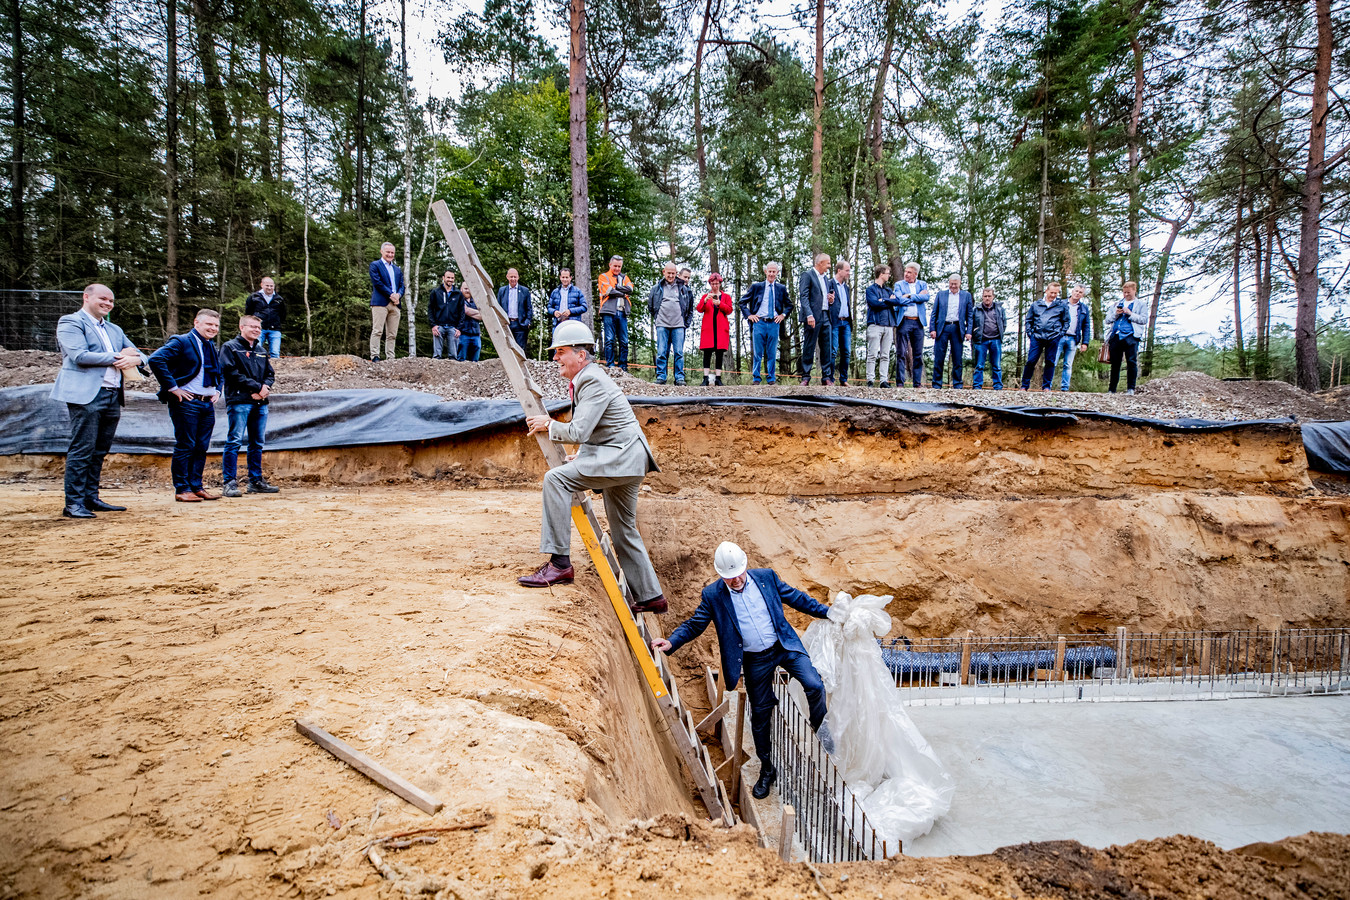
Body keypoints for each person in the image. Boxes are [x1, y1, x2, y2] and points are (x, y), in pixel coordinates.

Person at [651, 542, 832, 800]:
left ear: (746, 566)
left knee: (814, 685)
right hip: (754, 659)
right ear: (720, 575)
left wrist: (828, 612)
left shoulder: (766, 578)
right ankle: (767, 769)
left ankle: (820, 733)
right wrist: (671, 642)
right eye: (729, 577)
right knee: (760, 714)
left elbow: (797, 598)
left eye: (738, 574)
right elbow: (695, 624)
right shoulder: (713, 595)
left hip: (783, 645)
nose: (735, 580)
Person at [518, 321, 667, 616]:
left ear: (581, 356)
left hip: (620, 459)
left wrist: (549, 425)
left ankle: (559, 564)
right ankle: (651, 596)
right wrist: (585, 457)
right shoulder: (588, 378)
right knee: (624, 530)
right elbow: (601, 427)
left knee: (556, 480)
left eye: (560, 352)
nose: (555, 358)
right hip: (624, 458)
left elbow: (580, 430)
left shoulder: (592, 380)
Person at [50, 283, 147, 518]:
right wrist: (119, 357)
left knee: (99, 450)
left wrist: (138, 359)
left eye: (111, 301)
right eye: (103, 298)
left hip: (113, 395)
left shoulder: (114, 329)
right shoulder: (70, 322)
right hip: (86, 396)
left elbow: (139, 354)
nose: (108, 304)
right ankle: (73, 503)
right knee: (82, 449)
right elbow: (79, 355)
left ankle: (90, 498)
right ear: (86, 297)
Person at [148, 309, 223, 503]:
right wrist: (173, 387)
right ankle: (182, 488)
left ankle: (196, 486)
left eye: (216, 325)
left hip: (207, 404)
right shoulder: (182, 341)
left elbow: (219, 372)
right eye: (209, 324)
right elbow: (156, 359)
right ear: (196, 322)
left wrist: (218, 390)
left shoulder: (210, 346)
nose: (213, 328)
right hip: (186, 403)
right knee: (186, 444)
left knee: (201, 447)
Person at [219, 314, 280, 498]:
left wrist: (265, 388)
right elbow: (230, 373)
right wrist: (256, 387)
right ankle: (229, 483)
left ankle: (256, 481)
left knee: (257, 443)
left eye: (258, 328)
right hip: (239, 402)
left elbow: (270, 373)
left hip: (260, 402)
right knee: (234, 441)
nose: (256, 330)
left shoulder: (261, 350)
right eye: (252, 327)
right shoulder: (230, 347)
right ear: (242, 327)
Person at [740, 262, 790, 385]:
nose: (772, 274)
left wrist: (783, 315)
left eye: (774, 271)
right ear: (765, 272)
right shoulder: (757, 287)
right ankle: (756, 378)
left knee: (772, 352)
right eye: (770, 271)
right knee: (758, 352)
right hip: (759, 322)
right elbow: (742, 302)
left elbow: (789, 305)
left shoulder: (781, 288)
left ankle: (771, 379)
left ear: (777, 273)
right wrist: (749, 315)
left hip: (774, 323)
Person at [650, 263, 694, 385]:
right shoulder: (657, 288)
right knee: (662, 352)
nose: (670, 275)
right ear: (664, 272)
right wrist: (658, 318)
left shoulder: (684, 289)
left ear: (676, 273)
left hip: (679, 325)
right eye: (668, 273)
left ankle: (679, 378)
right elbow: (651, 306)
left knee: (679, 352)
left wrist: (686, 323)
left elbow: (690, 308)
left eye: (673, 273)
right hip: (662, 324)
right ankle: (661, 377)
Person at [1020, 282, 1069, 392]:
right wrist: (1030, 333)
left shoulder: (1062, 305)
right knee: (1031, 361)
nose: (1053, 295)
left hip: (1053, 337)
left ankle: (1046, 386)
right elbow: (1029, 320)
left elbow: (1066, 321)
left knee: (1050, 362)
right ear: (1046, 291)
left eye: (1056, 293)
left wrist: (1060, 334)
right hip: (1037, 337)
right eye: (1051, 292)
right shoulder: (1036, 305)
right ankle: (1024, 386)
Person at [798, 253, 835, 386]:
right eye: (828, 263)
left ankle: (826, 377)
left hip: (826, 316)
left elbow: (824, 297)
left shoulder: (826, 279)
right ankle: (806, 376)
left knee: (826, 347)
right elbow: (804, 296)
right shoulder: (807, 275)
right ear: (820, 263)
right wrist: (809, 314)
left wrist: (830, 300)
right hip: (812, 316)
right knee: (809, 346)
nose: (829, 266)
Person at [930, 275, 973, 389]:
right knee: (939, 357)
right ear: (949, 283)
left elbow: (970, 315)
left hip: (957, 328)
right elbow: (934, 313)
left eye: (955, 284)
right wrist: (932, 329)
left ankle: (957, 384)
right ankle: (937, 384)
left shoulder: (966, 296)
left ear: (960, 283)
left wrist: (969, 331)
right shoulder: (941, 294)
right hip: (942, 328)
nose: (953, 286)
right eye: (951, 284)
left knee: (957, 358)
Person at [1106, 281, 1149, 394]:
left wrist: (1130, 313)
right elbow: (1107, 320)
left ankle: (1131, 388)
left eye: (1128, 292)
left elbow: (1144, 320)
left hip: (1131, 336)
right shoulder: (1116, 304)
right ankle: (1112, 389)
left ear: (1134, 291)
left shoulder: (1141, 304)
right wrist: (1116, 314)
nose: (1126, 295)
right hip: (1116, 336)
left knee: (1131, 362)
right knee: (1115, 364)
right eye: (1124, 292)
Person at [864, 264, 899, 387]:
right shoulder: (870, 290)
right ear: (881, 274)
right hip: (875, 324)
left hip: (889, 325)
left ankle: (884, 380)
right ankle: (870, 379)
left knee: (885, 355)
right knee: (872, 353)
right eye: (888, 273)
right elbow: (874, 304)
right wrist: (888, 301)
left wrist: (883, 300)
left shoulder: (888, 290)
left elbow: (896, 301)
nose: (889, 275)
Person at [895, 263, 929, 387]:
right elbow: (899, 300)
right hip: (904, 321)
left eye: (909, 272)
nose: (906, 274)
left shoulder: (922, 284)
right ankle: (900, 382)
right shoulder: (899, 284)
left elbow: (926, 297)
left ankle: (917, 382)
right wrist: (917, 297)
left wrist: (909, 296)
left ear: (915, 274)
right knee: (901, 352)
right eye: (906, 271)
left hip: (918, 322)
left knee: (918, 354)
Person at [596, 256, 634, 370]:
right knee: (609, 339)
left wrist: (617, 288)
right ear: (610, 265)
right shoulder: (603, 277)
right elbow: (608, 291)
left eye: (619, 266)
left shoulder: (624, 277)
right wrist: (621, 291)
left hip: (622, 311)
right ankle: (610, 365)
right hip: (608, 311)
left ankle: (623, 366)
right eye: (615, 266)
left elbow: (630, 289)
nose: (617, 268)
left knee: (624, 340)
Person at [368, 242, 404, 361]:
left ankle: (390, 357)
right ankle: (375, 356)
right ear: (382, 251)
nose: (390, 254)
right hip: (380, 303)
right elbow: (377, 283)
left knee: (392, 334)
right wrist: (390, 294)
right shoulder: (375, 265)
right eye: (388, 252)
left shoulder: (397, 269)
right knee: (377, 330)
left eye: (392, 252)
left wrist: (398, 295)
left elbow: (402, 285)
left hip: (395, 304)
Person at [1053, 284, 1092, 391]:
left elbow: (1086, 326)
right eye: (1076, 291)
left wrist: (1085, 342)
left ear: (1082, 295)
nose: (1077, 293)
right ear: (1072, 291)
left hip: (1073, 339)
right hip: (1058, 337)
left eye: (1080, 292)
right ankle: (1047, 387)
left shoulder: (1084, 308)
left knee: (1068, 365)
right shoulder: (1061, 303)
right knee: (1053, 362)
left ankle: (1065, 388)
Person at [697, 273, 733, 386]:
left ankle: (718, 377)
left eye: (717, 284)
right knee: (707, 353)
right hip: (708, 329)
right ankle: (705, 378)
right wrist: (704, 301)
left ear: (720, 284)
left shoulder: (726, 297)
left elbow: (729, 310)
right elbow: (699, 309)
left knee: (719, 353)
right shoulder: (705, 296)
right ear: (710, 284)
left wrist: (720, 304)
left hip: (721, 329)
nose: (715, 286)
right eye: (712, 284)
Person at [970, 288, 1006, 390]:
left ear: (993, 297)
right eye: (985, 296)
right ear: (982, 297)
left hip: (996, 340)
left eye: (989, 296)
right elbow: (971, 324)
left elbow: (1004, 323)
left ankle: (998, 386)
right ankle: (977, 386)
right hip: (981, 340)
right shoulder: (976, 309)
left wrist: (1000, 334)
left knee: (997, 365)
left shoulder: (999, 309)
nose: (987, 298)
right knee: (979, 365)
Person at [244, 276, 286, 358]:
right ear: (262, 285)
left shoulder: (279, 299)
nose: (269, 288)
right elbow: (248, 313)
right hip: (258, 329)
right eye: (267, 285)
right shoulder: (254, 297)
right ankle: (256, 369)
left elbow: (283, 314)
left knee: (275, 352)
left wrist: (277, 322)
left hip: (275, 329)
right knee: (256, 351)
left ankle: (274, 370)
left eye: (271, 286)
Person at [427, 270, 464, 360]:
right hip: (439, 326)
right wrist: (433, 325)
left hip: (453, 327)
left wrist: (459, 328)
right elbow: (430, 309)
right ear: (443, 278)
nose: (450, 280)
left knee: (453, 356)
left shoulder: (458, 294)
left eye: (452, 278)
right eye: (448, 277)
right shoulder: (436, 292)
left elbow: (461, 312)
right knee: (437, 356)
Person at [496, 268, 533, 351]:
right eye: (511, 277)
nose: (513, 279)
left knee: (519, 350)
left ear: (518, 277)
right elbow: (498, 308)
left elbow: (529, 308)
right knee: (506, 349)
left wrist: (527, 322)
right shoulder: (502, 291)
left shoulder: (525, 291)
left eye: (515, 277)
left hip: (520, 325)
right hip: (506, 324)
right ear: (507, 277)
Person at [831, 260, 854, 386]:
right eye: (847, 270)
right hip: (834, 321)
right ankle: (830, 379)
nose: (849, 273)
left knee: (846, 351)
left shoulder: (846, 287)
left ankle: (843, 379)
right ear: (839, 271)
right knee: (833, 351)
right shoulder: (829, 284)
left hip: (845, 323)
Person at [548, 268, 588, 334]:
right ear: (560, 277)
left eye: (567, 277)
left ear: (570, 278)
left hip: (573, 324)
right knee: (559, 344)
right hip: (558, 324)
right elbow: (549, 307)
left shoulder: (577, 291)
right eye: (563, 277)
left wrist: (570, 311)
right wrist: (554, 312)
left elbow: (584, 307)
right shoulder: (555, 292)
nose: (565, 279)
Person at [457, 285, 483, 361]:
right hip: (463, 333)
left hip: (476, 334)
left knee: (475, 360)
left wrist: (468, 311)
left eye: (469, 288)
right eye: (465, 288)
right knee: (461, 358)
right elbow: (465, 310)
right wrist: (478, 313)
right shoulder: (458, 300)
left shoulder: (476, 301)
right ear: (461, 289)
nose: (468, 291)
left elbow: (483, 316)